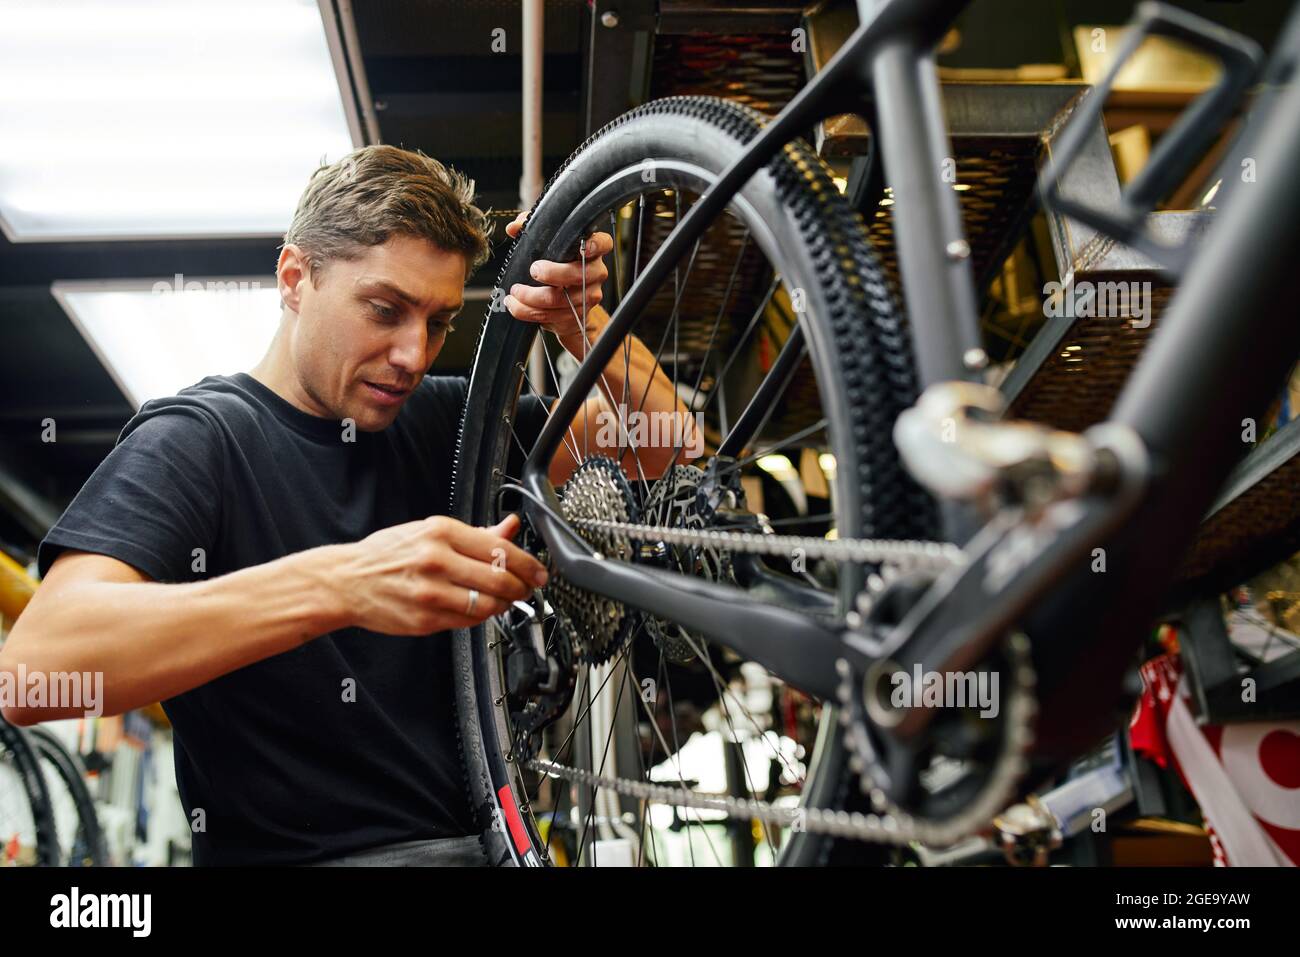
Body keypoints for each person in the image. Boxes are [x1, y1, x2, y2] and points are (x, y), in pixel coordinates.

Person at [0, 145, 685, 866]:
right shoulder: (200, 441)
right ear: (295, 278)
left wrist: (585, 323)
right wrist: (341, 584)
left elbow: (672, 448)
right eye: (385, 310)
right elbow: (32, 673)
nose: (415, 354)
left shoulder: (449, 426)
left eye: (440, 322)